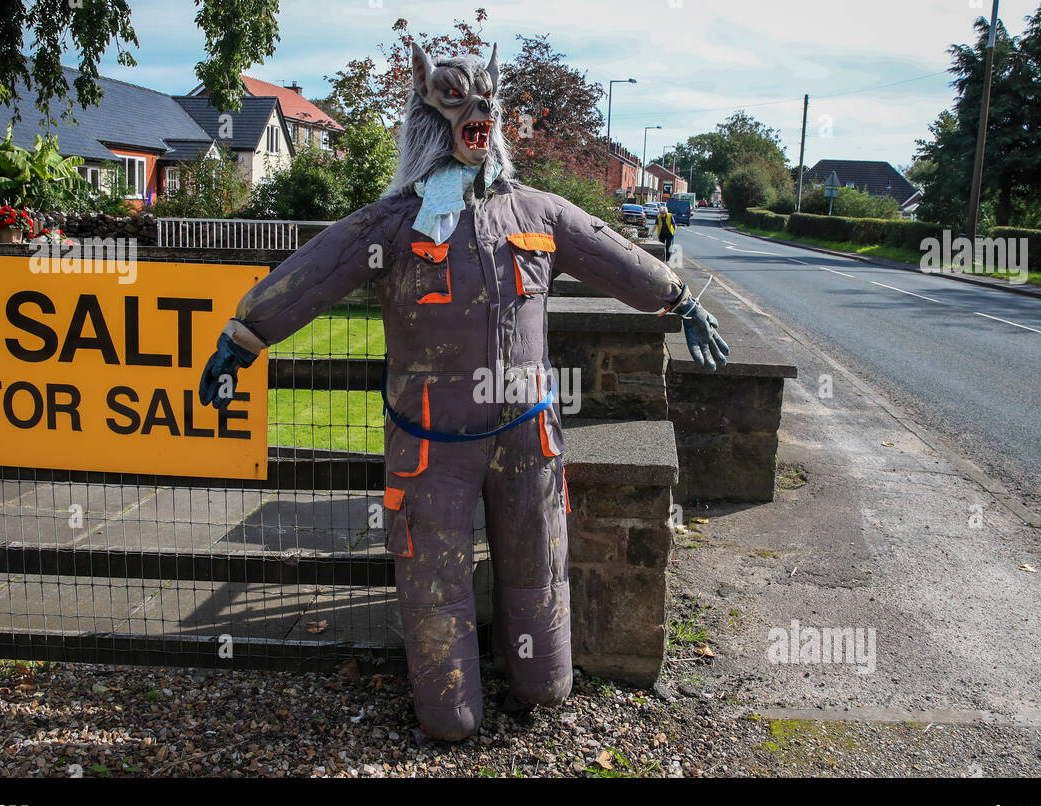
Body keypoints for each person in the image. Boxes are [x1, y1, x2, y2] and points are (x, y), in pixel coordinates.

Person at [197, 43, 729, 743]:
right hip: (430, 446)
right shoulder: (391, 224)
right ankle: (450, 713)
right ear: (427, 115)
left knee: (538, 569)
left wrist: (676, 298)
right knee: (434, 585)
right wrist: (244, 336)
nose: (477, 110)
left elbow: (609, 253)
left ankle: (540, 684)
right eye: (455, 99)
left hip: (527, 437)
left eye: (485, 99)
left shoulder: (535, 213)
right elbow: (317, 269)